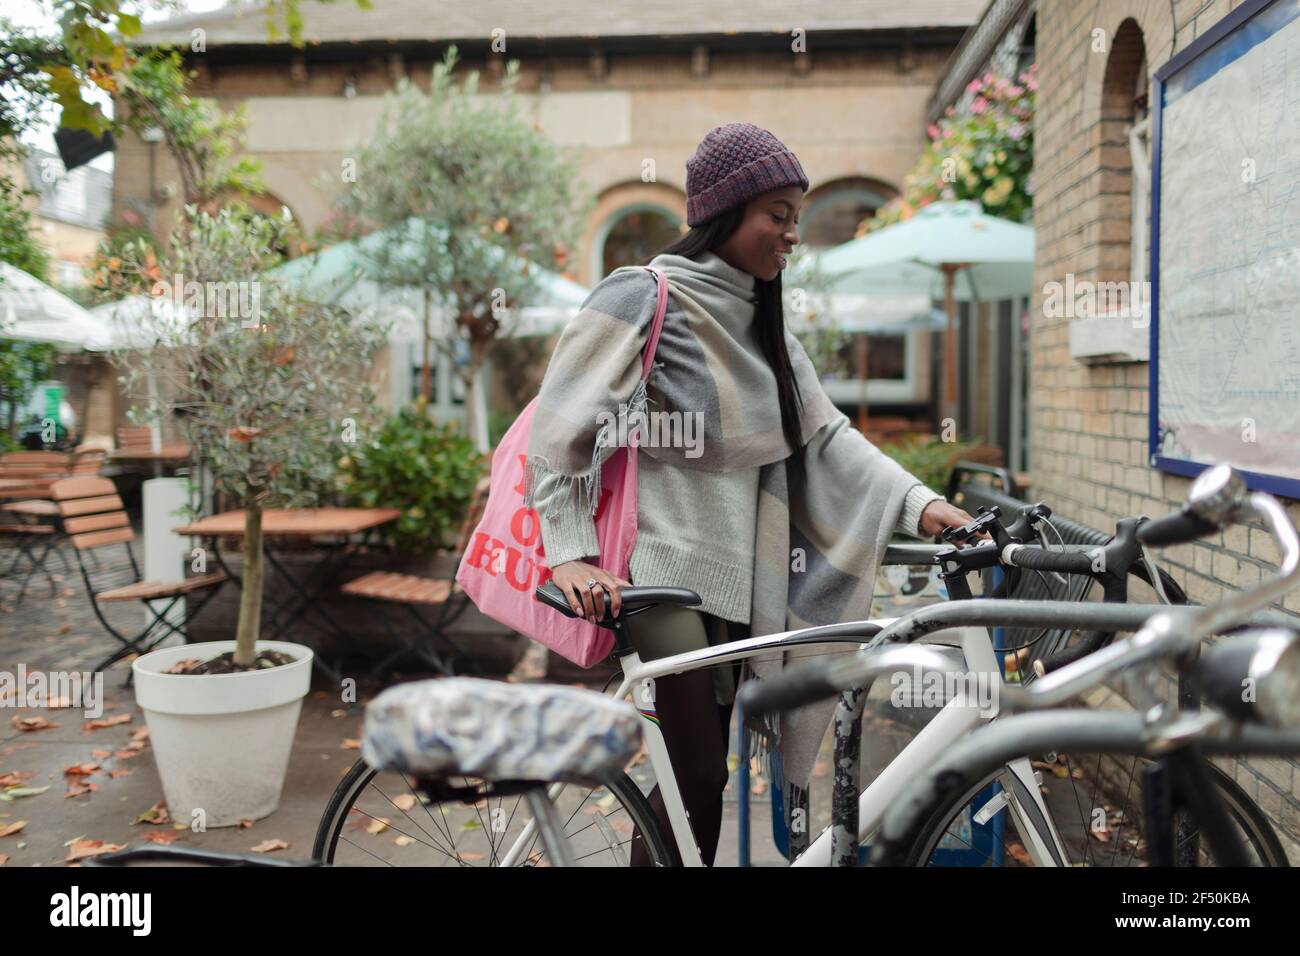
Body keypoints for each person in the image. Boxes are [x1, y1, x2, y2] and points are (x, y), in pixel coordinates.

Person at [524, 123, 976, 866]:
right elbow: (563, 424)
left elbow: (826, 435)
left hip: (745, 582)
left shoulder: (765, 324)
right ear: (726, 211)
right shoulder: (646, 294)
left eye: (798, 214)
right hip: (663, 577)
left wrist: (919, 503)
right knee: (695, 778)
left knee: (696, 783)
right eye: (779, 213)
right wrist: (568, 553)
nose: (793, 233)